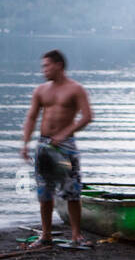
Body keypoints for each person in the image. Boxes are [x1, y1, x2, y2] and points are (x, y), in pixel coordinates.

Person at [20, 49, 94, 247]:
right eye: (43, 66)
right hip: (44, 145)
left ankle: (76, 235)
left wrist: (64, 133)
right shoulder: (41, 90)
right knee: (44, 191)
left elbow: (87, 116)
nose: (44, 70)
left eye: (47, 65)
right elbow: (32, 117)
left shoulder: (75, 89)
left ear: (59, 65)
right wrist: (25, 143)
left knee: (71, 191)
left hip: (65, 147)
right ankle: (46, 235)